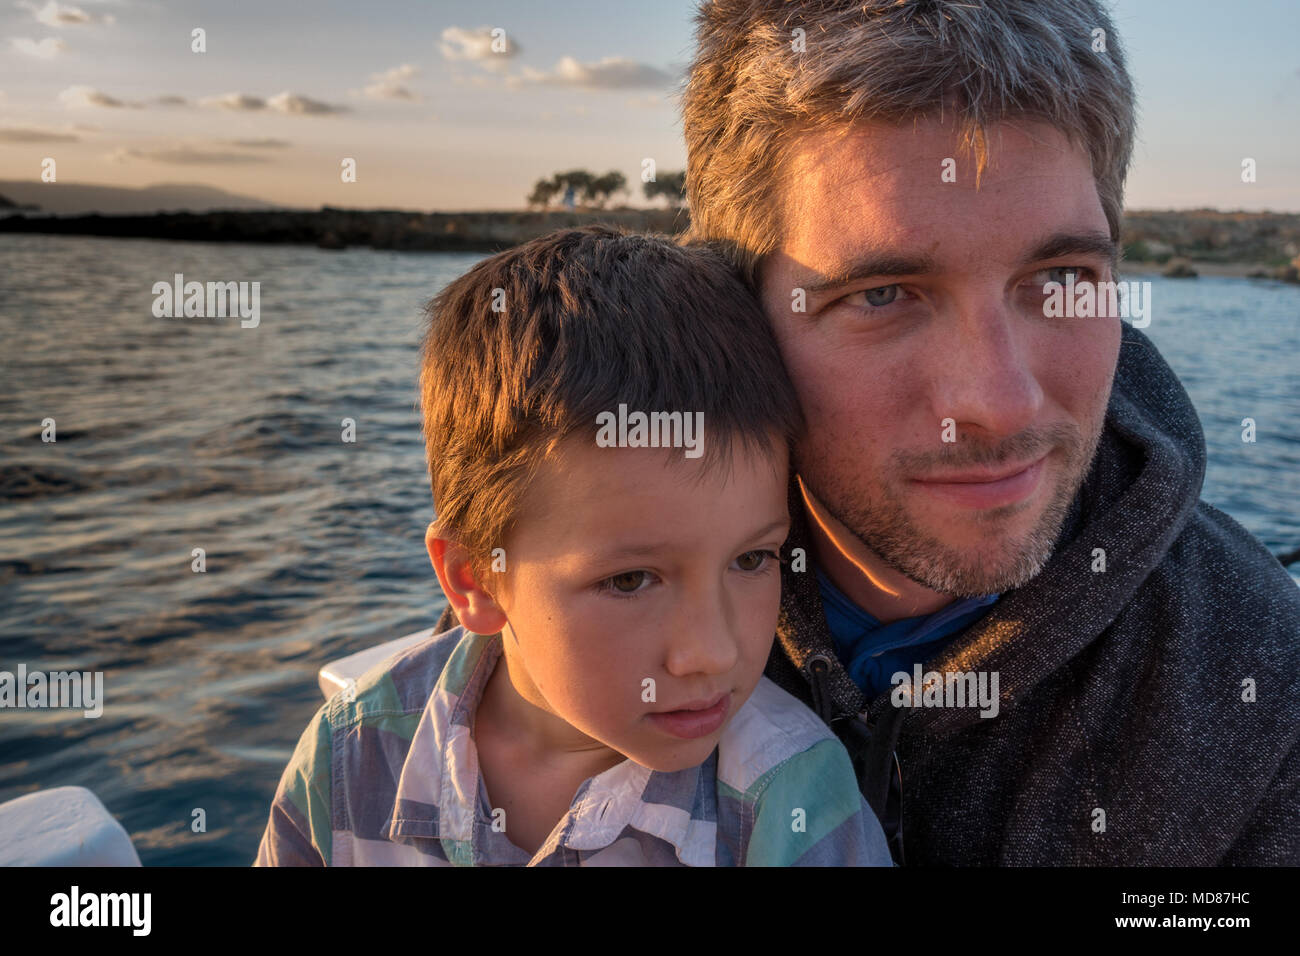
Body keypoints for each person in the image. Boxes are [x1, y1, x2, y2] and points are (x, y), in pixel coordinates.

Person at [648, 0, 1300, 864]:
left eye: (1061, 278)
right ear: (735, 309)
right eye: (882, 295)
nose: (1002, 401)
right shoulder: (584, 592)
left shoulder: (1261, 690)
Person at [255, 225, 893, 866]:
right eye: (630, 580)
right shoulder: (349, 756)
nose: (713, 652)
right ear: (475, 579)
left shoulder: (790, 802)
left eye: (751, 559)